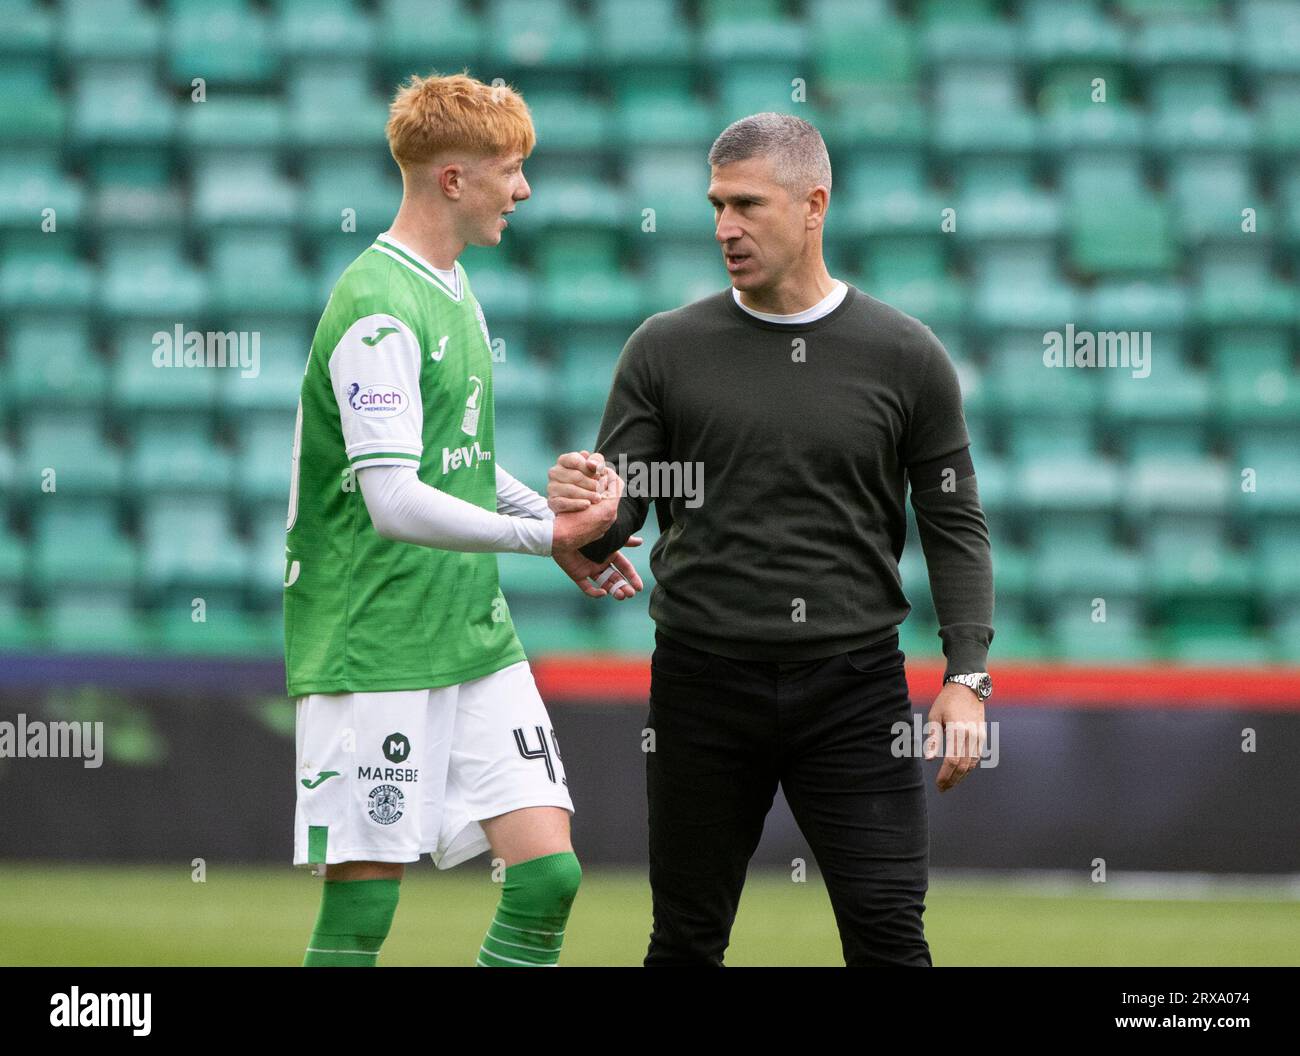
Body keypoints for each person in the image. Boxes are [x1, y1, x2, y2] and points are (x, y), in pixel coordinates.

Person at [547, 112, 994, 967]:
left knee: (891, 940)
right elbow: (625, 511)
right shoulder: (665, 349)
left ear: (813, 203)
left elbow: (954, 523)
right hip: (701, 682)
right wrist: (588, 510)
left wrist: (966, 673)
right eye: (717, 206)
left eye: (746, 205)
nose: (725, 228)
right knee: (683, 942)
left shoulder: (906, 355)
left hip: (855, 690)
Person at [284, 72, 642, 967]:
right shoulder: (378, 309)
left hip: (471, 630)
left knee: (548, 876)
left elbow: (462, 464)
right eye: (511, 170)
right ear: (454, 179)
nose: (522, 191)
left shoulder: (451, 286)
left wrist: (566, 531)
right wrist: (542, 535)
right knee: (362, 917)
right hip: (377, 640)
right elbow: (394, 500)